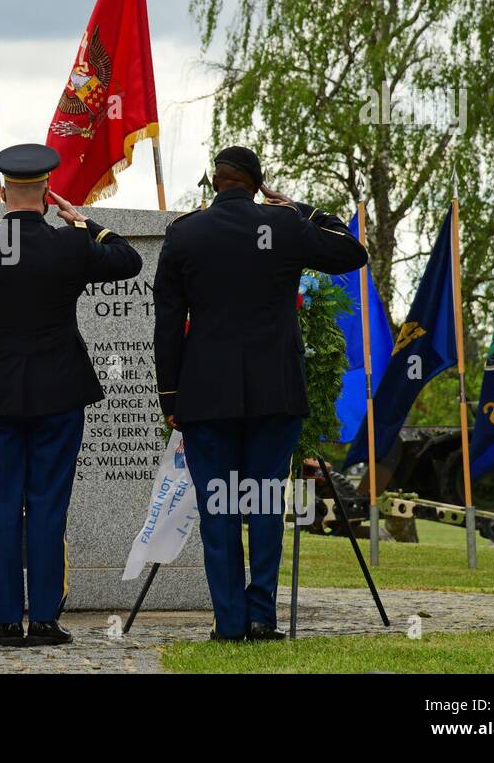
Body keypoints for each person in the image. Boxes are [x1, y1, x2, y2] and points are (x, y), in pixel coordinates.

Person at [153, 145, 367, 642]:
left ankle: (228, 622)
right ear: (257, 184)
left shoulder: (185, 233)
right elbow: (350, 251)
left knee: (219, 509)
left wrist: (170, 396)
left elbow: (168, 323)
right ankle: (260, 618)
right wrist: (298, 208)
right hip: (275, 392)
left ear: (214, 182)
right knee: (267, 502)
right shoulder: (286, 225)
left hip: (206, 396)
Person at [0, 143, 142, 647]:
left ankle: (6, 620)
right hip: (59, 392)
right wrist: (86, 222)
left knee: (1, 504)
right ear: (48, 193)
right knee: (48, 504)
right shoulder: (70, 246)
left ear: (3, 192)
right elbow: (129, 260)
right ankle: (45, 618)